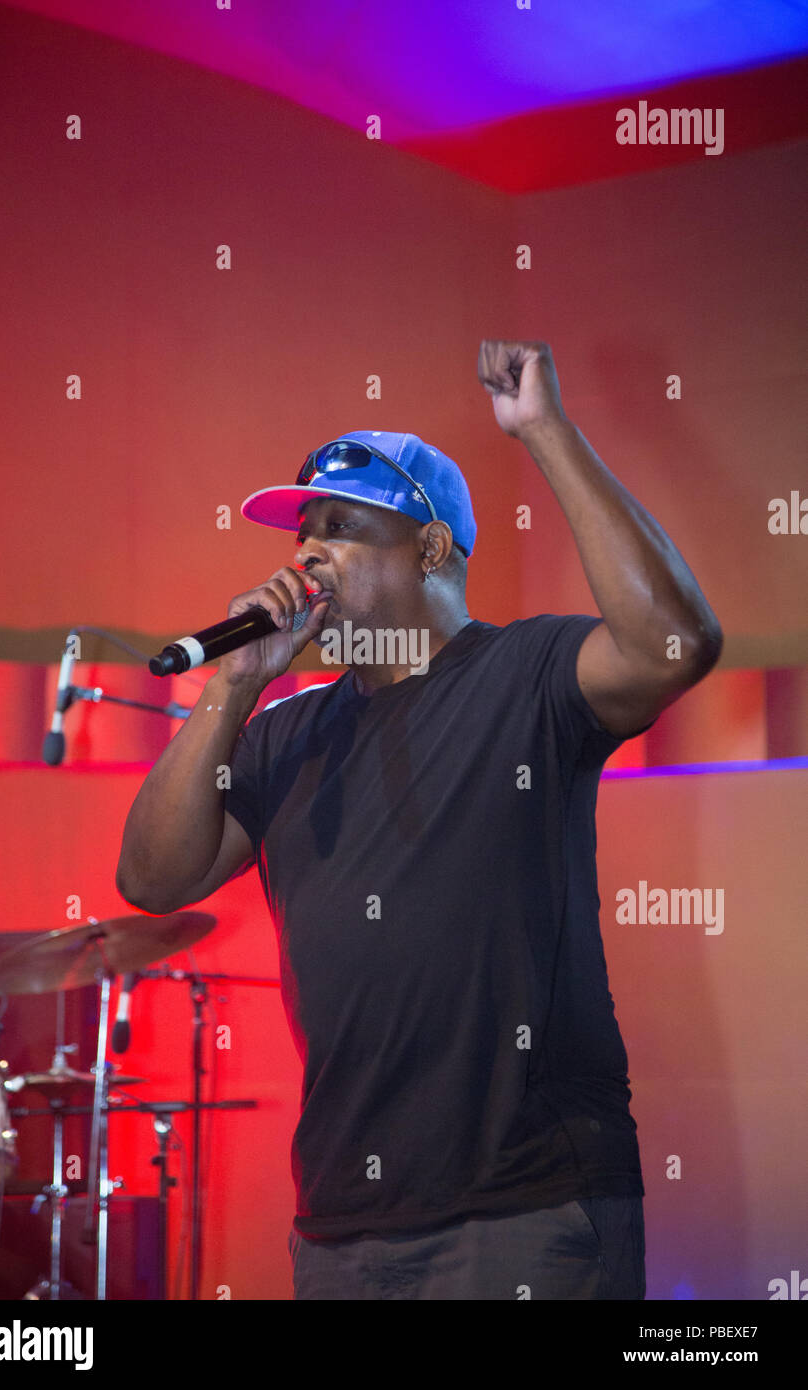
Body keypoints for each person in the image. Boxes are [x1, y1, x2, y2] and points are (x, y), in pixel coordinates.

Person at [116, 339, 722, 1300]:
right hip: (341, 1226)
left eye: (343, 527)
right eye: (303, 531)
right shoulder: (286, 734)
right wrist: (231, 687)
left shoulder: (524, 675)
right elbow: (151, 880)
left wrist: (545, 432)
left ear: (432, 549)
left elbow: (675, 645)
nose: (308, 552)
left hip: (523, 1209)